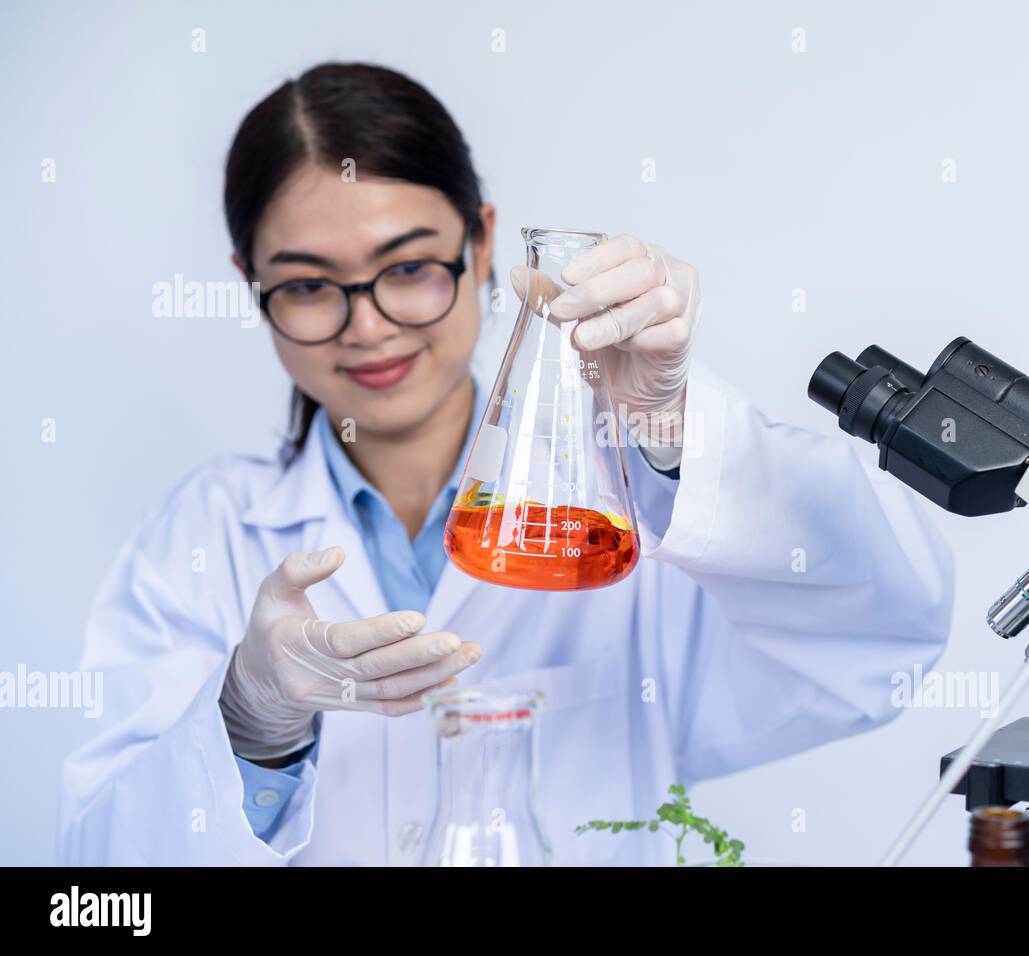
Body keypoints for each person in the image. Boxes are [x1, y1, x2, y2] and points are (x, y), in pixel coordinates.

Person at [58, 62, 954, 866]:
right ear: (249, 280)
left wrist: (672, 430)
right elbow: (99, 886)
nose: (367, 325)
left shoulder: (631, 511)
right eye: (305, 284)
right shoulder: (201, 540)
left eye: (408, 267)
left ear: (482, 243)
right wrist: (250, 726)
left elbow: (879, 642)